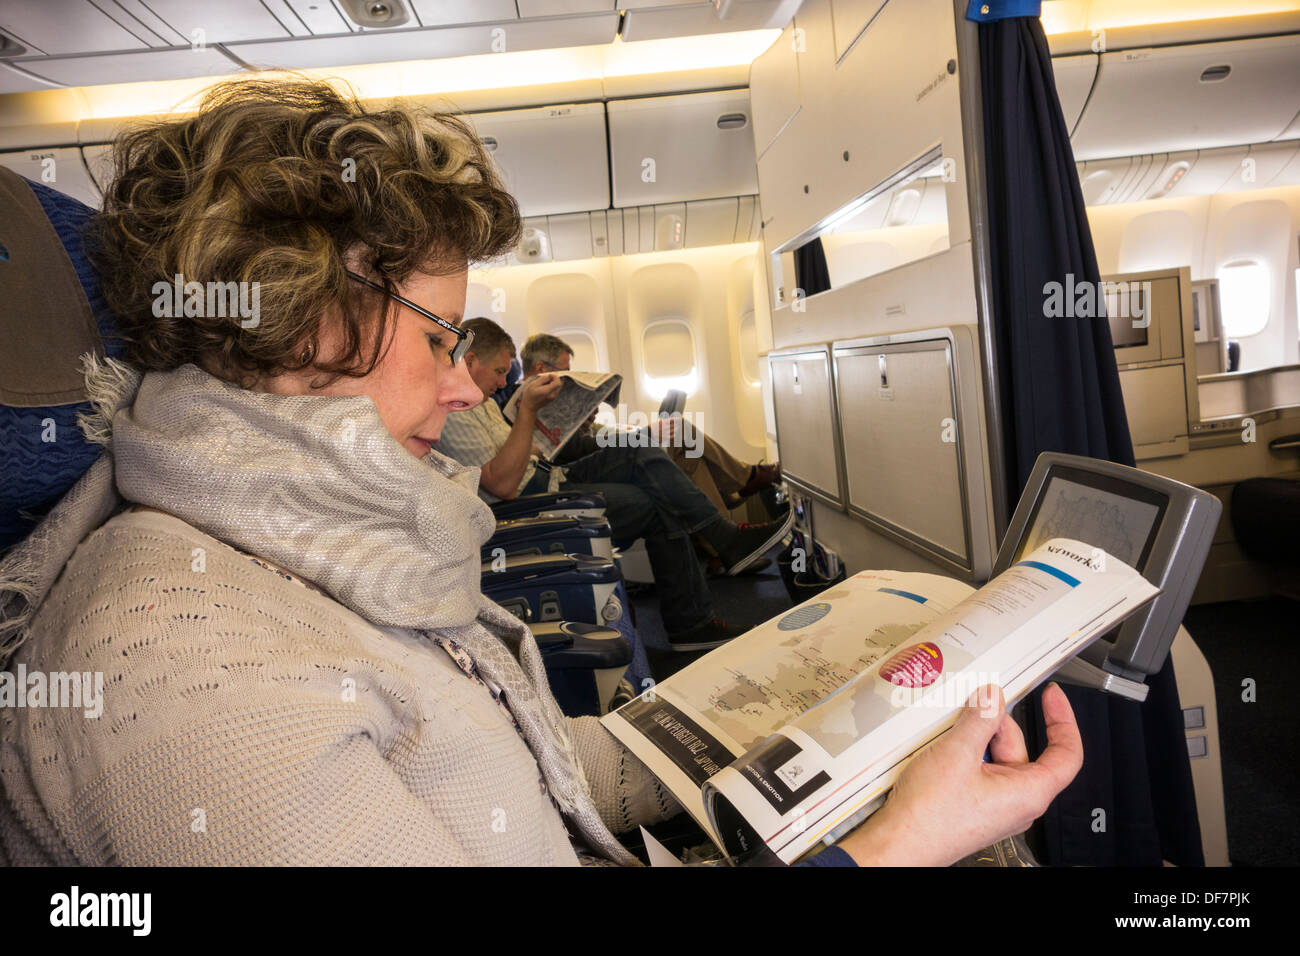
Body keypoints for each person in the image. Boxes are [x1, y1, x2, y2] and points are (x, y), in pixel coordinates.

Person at [0, 78, 1083, 867]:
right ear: (312, 318)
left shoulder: (324, 544)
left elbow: (514, 761)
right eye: (437, 336)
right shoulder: (186, 677)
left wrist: (818, 713)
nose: (466, 386)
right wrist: (899, 846)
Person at [437, 317, 791, 648]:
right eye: (499, 371)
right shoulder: (457, 410)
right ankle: (699, 602)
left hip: (549, 475)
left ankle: (719, 551)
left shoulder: (482, 401)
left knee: (641, 448)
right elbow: (503, 485)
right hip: (531, 500)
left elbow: (529, 454)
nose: (503, 381)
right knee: (657, 498)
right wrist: (529, 413)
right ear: (469, 363)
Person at [518, 333, 781, 515]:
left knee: (683, 443)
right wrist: (643, 434)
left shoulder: (553, 397)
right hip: (582, 467)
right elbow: (578, 449)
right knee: (681, 436)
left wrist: (629, 431)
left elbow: (597, 435)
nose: (566, 378)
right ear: (541, 367)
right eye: (564, 370)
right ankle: (744, 481)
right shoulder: (528, 404)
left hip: (602, 448)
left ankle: (719, 539)